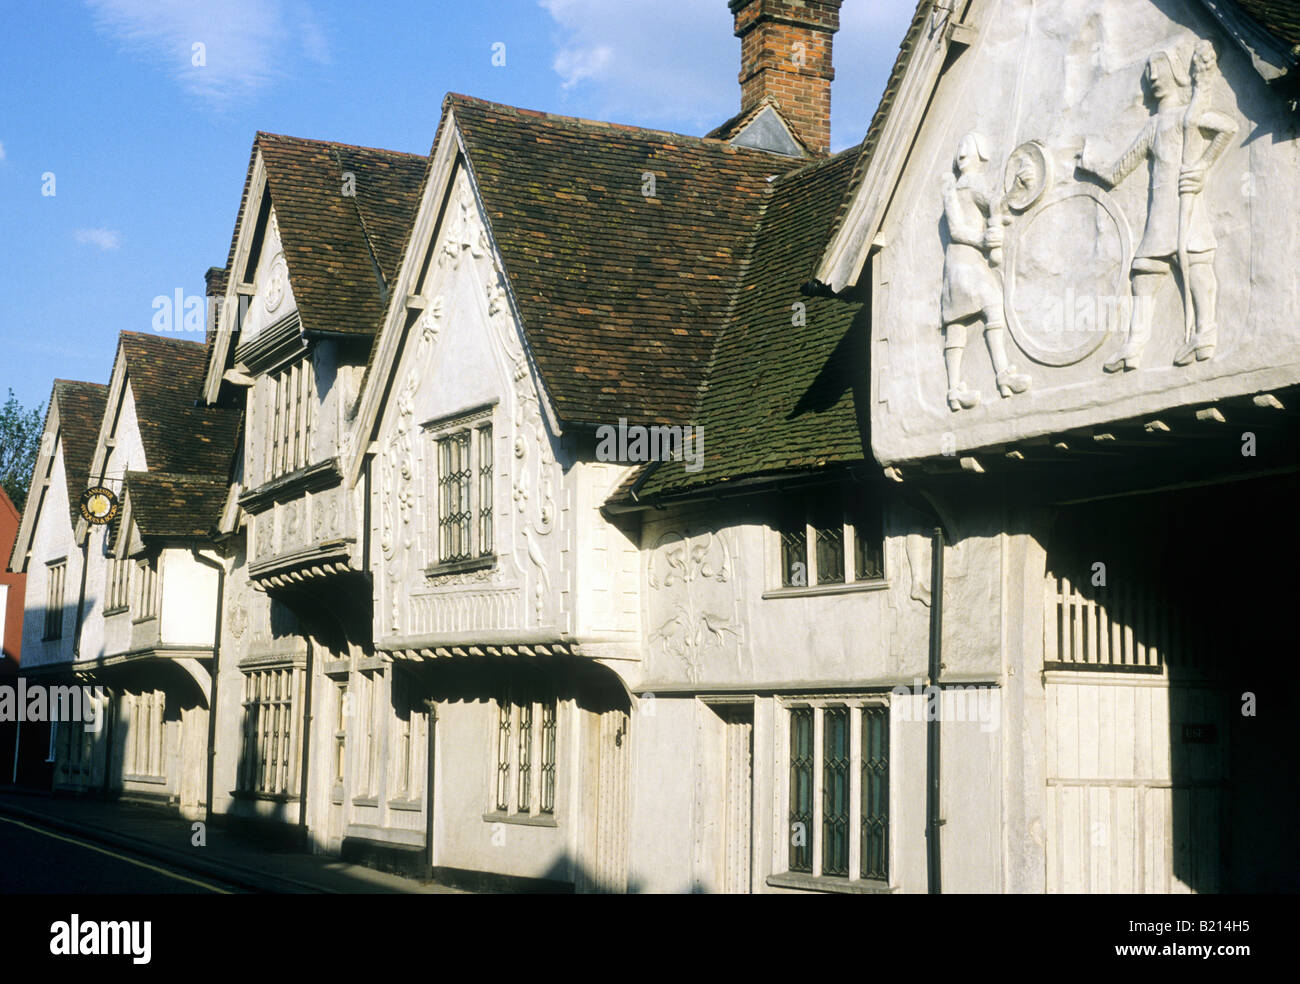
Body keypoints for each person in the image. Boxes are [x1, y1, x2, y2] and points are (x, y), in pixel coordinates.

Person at [1077, 44, 1235, 371]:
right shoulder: (1153, 126)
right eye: (1149, 71)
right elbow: (1120, 169)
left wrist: (1203, 167)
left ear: (1175, 73)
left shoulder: (1186, 116)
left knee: (1195, 263)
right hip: (1161, 213)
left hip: (1184, 205)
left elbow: (1227, 128)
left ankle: (1205, 332)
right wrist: (1091, 164)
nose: (1153, 78)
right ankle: (1134, 346)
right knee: (1144, 276)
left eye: (1159, 68)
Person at [940, 132, 1031, 412]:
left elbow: (995, 204)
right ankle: (978, 382)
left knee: (962, 320)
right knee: (981, 310)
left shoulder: (971, 184)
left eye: (966, 146)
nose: (961, 152)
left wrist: (1018, 186)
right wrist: (982, 239)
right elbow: (955, 229)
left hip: (967, 262)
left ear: (980, 152)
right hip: (962, 262)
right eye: (959, 147)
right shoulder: (956, 188)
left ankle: (965, 387)